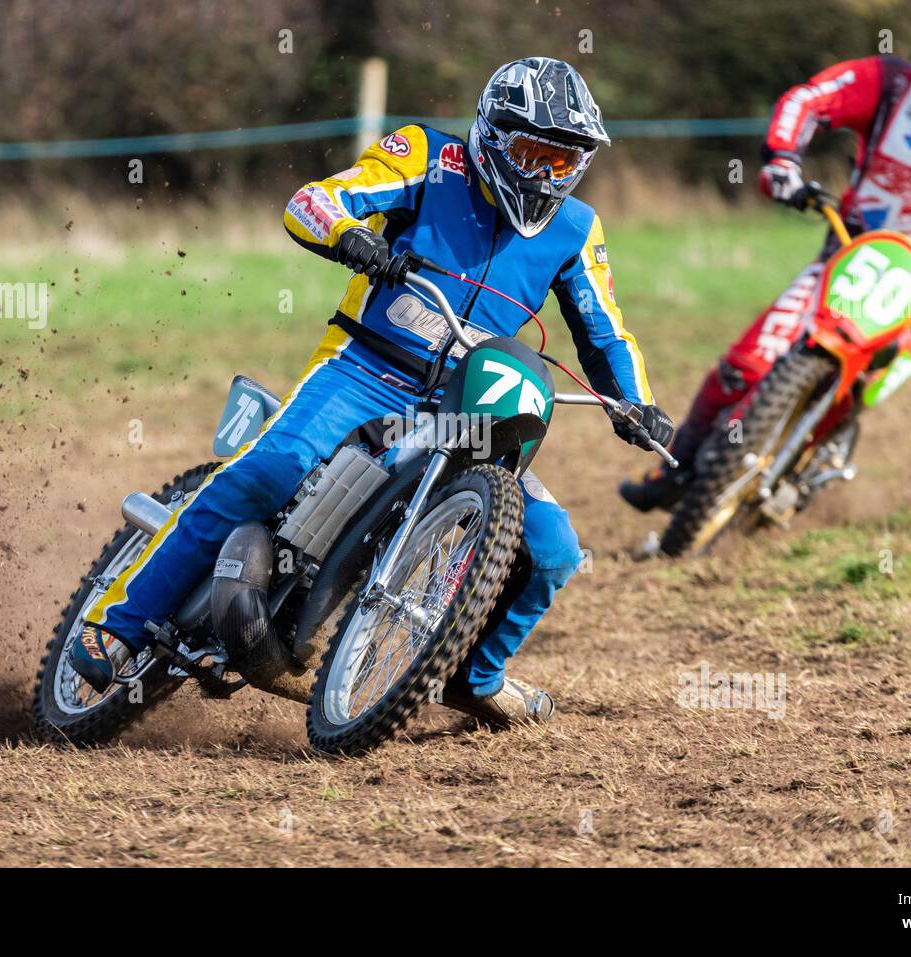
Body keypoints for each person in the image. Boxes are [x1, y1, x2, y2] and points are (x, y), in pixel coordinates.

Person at [74, 57, 674, 725]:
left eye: (564, 162)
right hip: (365, 368)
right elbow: (314, 201)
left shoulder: (577, 229)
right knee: (268, 471)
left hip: (470, 407)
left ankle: (474, 677)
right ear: (495, 136)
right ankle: (120, 624)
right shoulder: (427, 154)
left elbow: (604, 332)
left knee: (555, 549)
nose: (545, 175)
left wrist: (638, 404)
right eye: (534, 153)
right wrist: (353, 239)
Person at [620, 5, 911, 521]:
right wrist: (782, 161)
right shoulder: (886, 84)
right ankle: (675, 469)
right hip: (854, 249)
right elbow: (807, 100)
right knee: (744, 364)